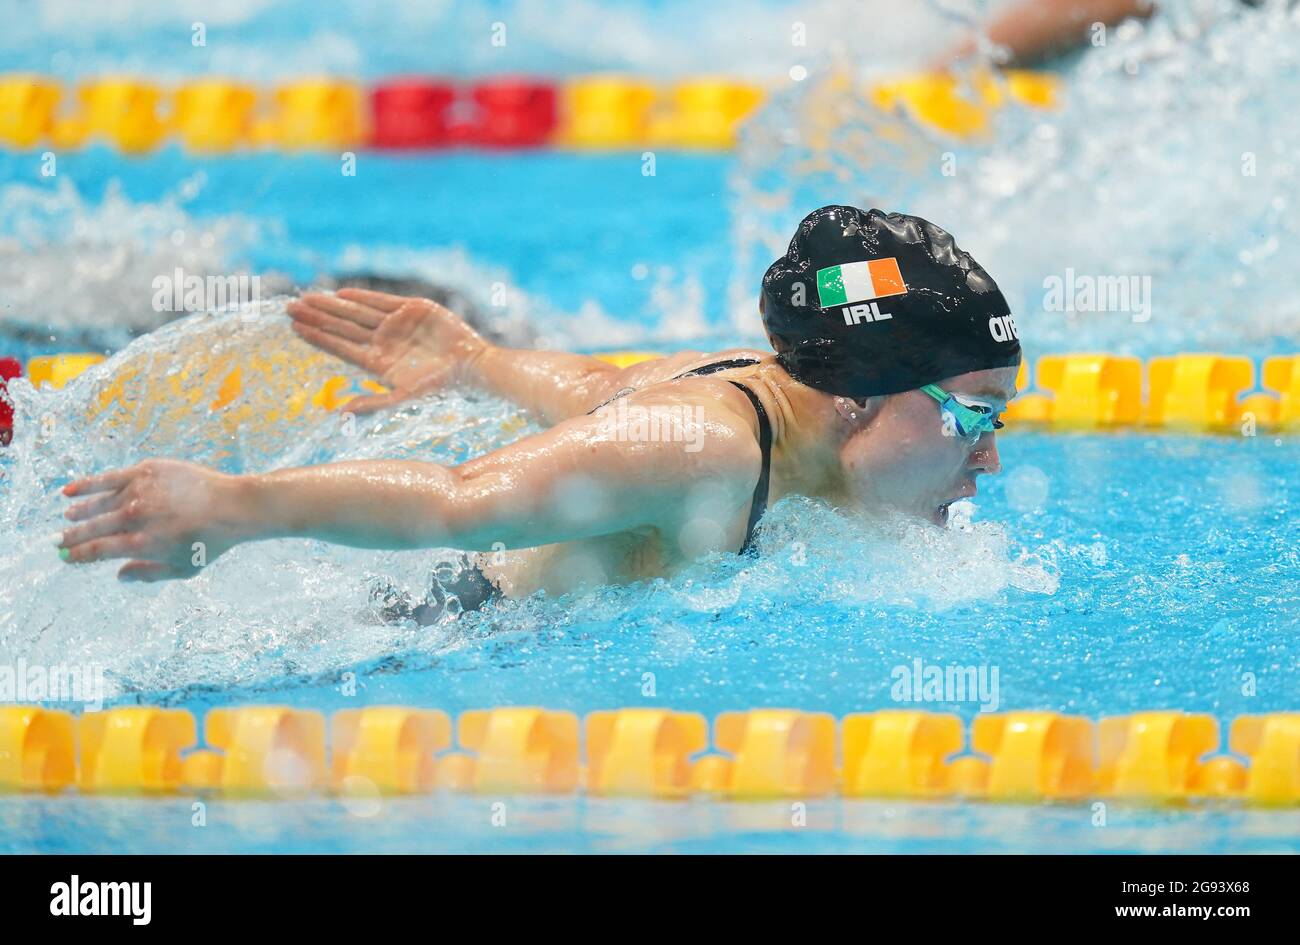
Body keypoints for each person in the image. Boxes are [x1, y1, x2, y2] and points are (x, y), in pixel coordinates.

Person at [57, 206, 1020, 620]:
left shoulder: (761, 396)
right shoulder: (710, 447)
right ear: (862, 395)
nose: (987, 461)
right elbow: (460, 498)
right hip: (435, 630)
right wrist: (235, 509)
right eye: (974, 415)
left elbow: (608, 391)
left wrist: (479, 361)